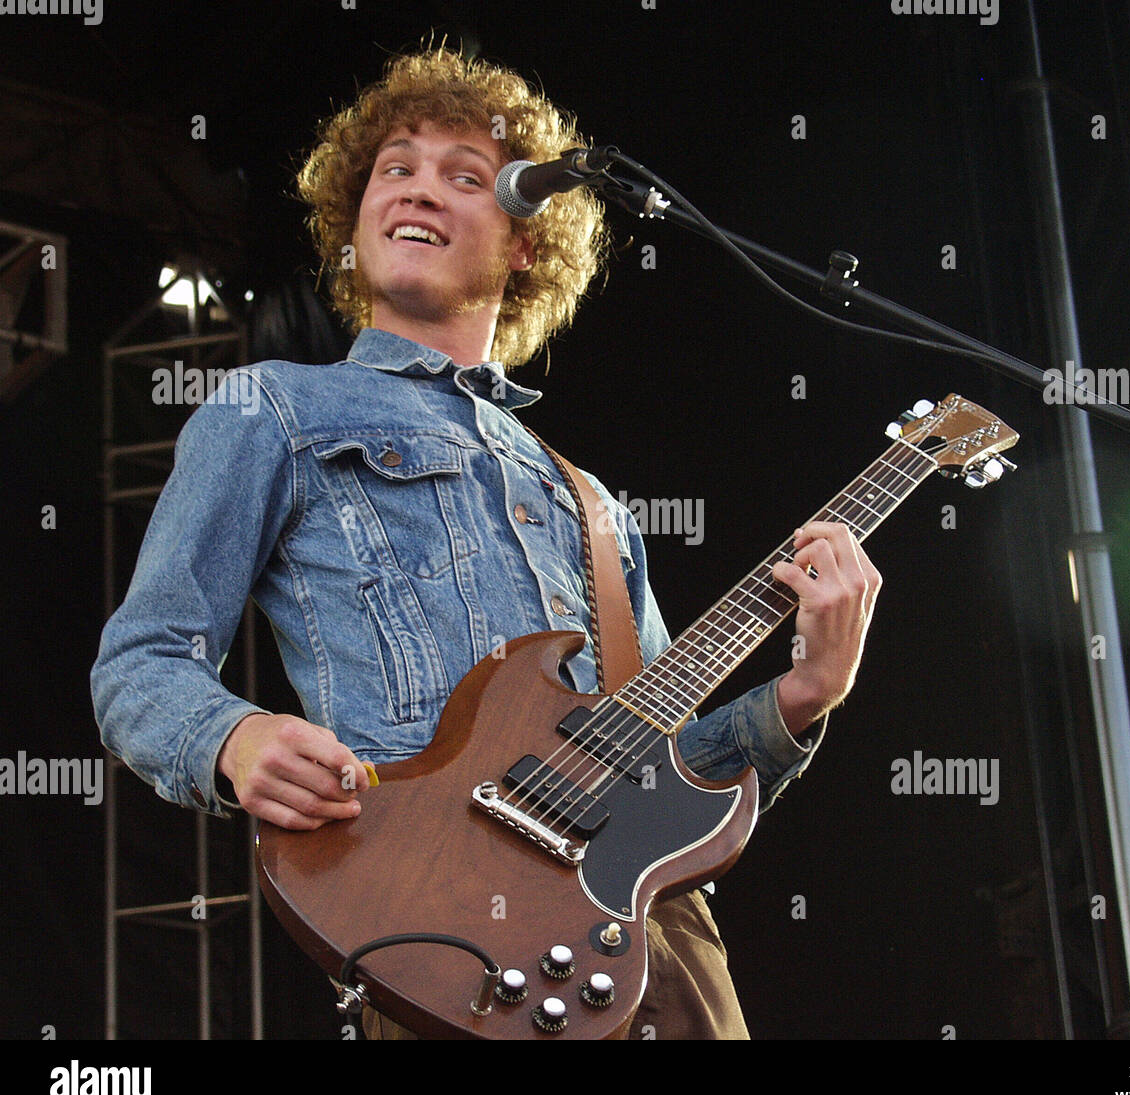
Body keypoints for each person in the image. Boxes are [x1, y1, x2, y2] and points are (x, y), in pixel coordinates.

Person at [90, 46, 881, 1040]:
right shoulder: (273, 409)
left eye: (467, 176)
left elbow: (666, 769)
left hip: (658, 948)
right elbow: (141, 661)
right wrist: (231, 736)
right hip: (445, 937)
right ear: (355, 215)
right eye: (396, 167)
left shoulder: (591, 503)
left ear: (522, 240)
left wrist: (806, 695)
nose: (419, 188)